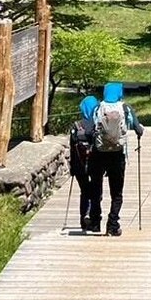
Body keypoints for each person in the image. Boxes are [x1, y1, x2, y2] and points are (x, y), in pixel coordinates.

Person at [88, 81, 145, 236]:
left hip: (98, 153)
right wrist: (139, 132)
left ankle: (94, 222)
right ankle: (112, 225)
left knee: (96, 189)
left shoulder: (98, 108)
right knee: (117, 192)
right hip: (117, 154)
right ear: (120, 93)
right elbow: (138, 129)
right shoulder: (125, 108)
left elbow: (90, 129)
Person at [69, 95, 99, 233]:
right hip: (95, 163)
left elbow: (72, 148)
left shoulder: (76, 125)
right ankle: (94, 219)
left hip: (79, 165)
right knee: (96, 191)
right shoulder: (98, 124)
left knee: (84, 191)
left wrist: (72, 168)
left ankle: (83, 218)